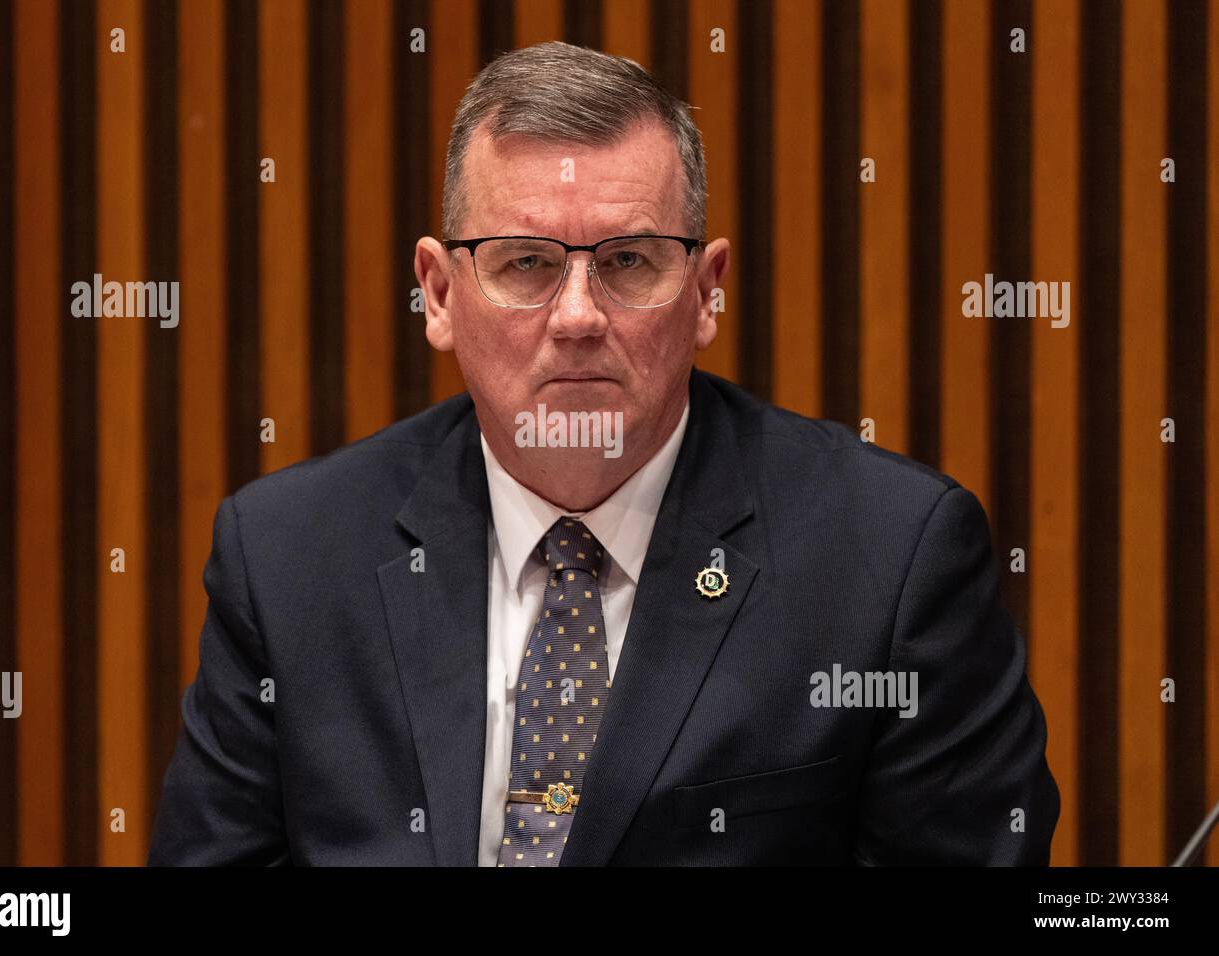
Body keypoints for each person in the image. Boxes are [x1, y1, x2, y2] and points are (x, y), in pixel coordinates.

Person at [148, 41, 1058, 866]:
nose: (579, 317)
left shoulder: (889, 560)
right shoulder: (290, 557)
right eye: (526, 264)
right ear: (436, 292)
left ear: (706, 293)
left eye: (628, 262)